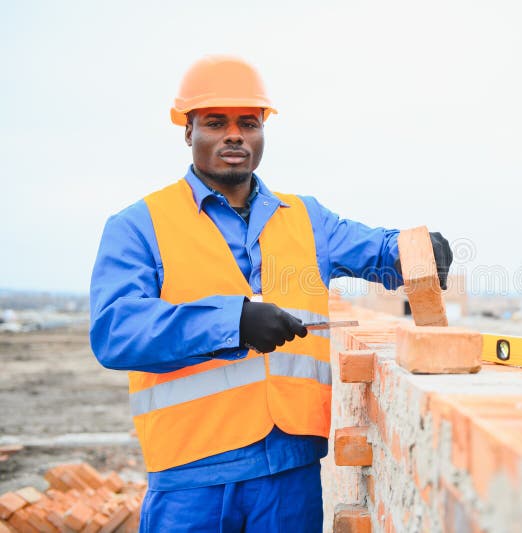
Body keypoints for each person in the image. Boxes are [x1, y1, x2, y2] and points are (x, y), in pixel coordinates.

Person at [89, 55, 453, 532]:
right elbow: (117, 331)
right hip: (191, 478)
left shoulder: (306, 218)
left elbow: (377, 249)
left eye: (249, 123)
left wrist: (414, 252)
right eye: (216, 123)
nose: (234, 135)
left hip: (289, 472)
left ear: (263, 131)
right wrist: (234, 321)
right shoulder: (138, 226)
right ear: (188, 132)